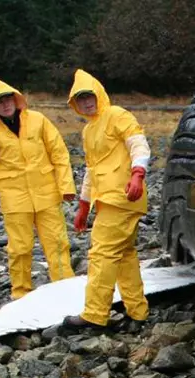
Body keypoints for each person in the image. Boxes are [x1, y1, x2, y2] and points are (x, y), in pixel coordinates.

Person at [61, 68, 150, 333]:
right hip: (109, 200)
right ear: (74, 104)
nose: (87, 102)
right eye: (80, 99)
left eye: (89, 96)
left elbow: (139, 144)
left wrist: (138, 174)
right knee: (124, 255)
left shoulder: (117, 115)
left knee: (101, 253)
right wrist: (84, 206)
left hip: (123, 195)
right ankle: (138, 313)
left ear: (99, 94)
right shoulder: (89, 131)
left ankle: (95, 314)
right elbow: (91, 169)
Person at [0, 75, 77, 300]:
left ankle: (66, 288)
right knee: (19, 249)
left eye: (8, 98)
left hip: (47, 195)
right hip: (14, 200)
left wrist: (66, 186)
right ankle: (20, 294)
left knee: (58, 244)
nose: (5, 104)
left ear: (16, 99)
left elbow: (59, 153)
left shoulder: (39, 120)